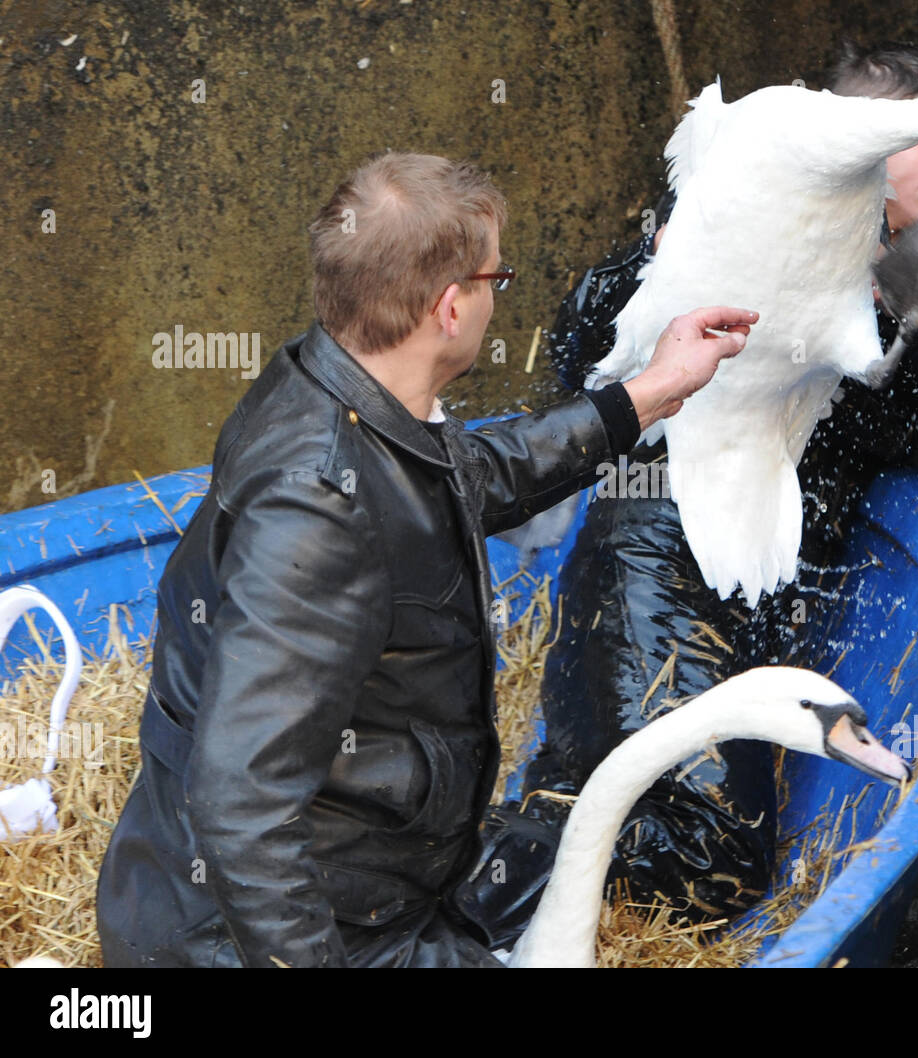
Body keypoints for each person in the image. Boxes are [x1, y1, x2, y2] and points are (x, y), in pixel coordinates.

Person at [95, 152, 758, 968]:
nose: (493, 299)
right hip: (261, 944)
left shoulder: (337, 386)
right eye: (494, 279)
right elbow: (241, 808)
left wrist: (647, 393)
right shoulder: (314, 512)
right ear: (452, 306)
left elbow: (465, 479)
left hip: (375, 890)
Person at [453, 43, 918, 944]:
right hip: (656, 557)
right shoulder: (748, 207)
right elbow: (579, 362)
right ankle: (439, 932)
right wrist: (653, 254)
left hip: (764, 584)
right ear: (862, 142)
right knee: (704, 857)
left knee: (680, 828)